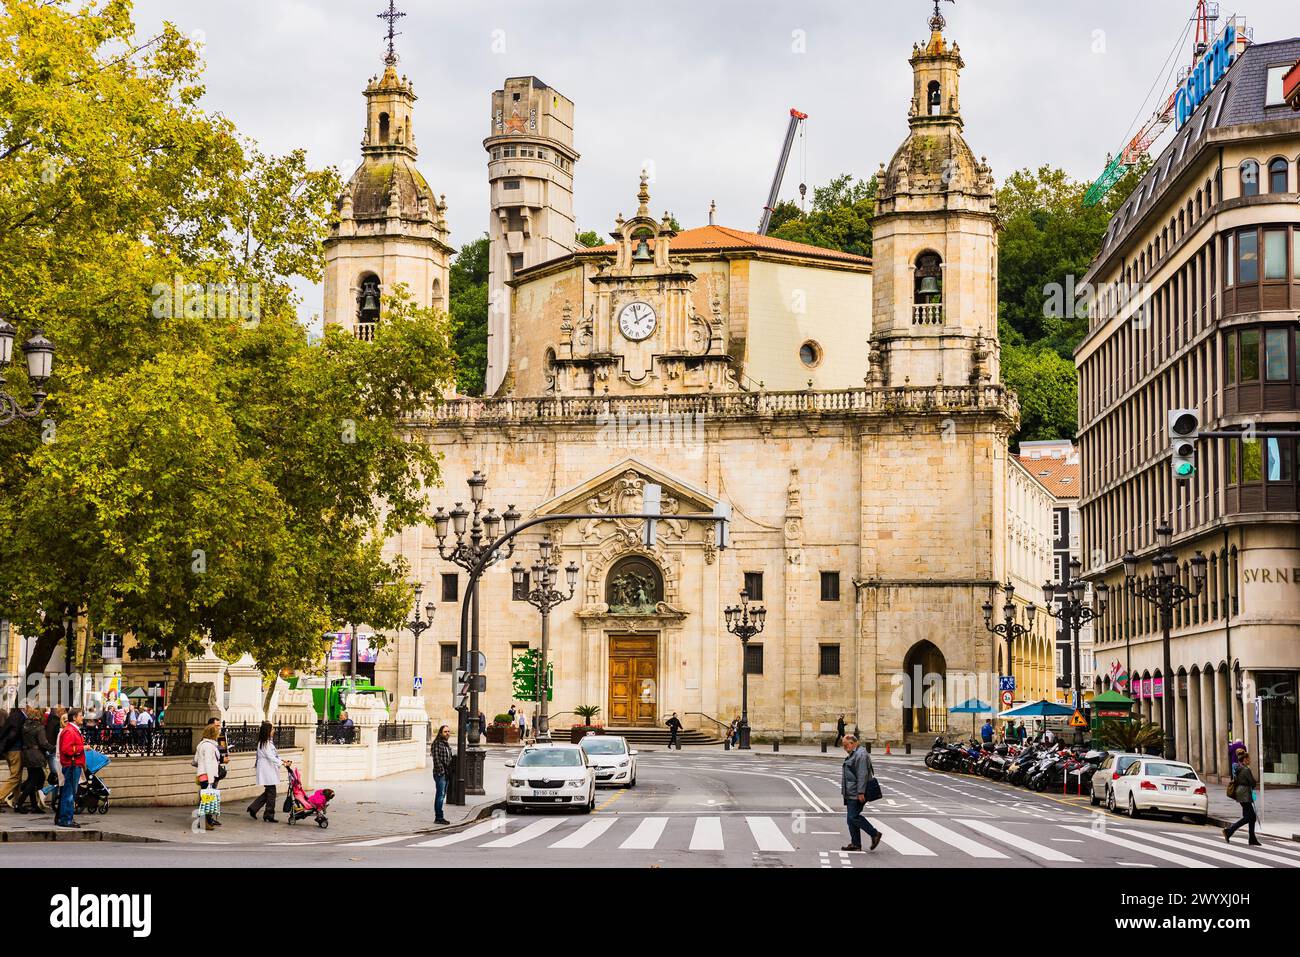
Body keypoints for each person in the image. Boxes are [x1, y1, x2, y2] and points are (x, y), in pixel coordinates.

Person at [840, 734, 883, 852]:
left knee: (853, 817)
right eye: (843, 745)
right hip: (851, 791)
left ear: (853, 743)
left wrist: (860, 792)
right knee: (850, 819)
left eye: (845, 745)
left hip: (856, 792)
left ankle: (874, 834)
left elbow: (862, 775)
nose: (844, 748)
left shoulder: (861, 755)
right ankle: (856, 844)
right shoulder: (855, 753)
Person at [15, 708, 54, 814]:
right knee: (36, 780)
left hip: (26, 755)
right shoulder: (39, 727)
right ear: (39, 716)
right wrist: (54, 748)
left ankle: (33, 805)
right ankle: (19, 803)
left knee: (32, 779)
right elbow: (43, 743)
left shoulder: (24, 726)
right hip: (36, 756)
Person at [246, 721, 283, 823]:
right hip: (267, 770)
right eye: (272, 729)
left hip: (269, 769)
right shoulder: (265, 743)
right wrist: (282, 763)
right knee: (272, 793)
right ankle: (269, 814)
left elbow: (274, 755)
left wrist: (282, 760)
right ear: (268, 731)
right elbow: (270, 756)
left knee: (269, 792)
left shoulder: (268, 742)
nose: (274, 731)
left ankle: (253, 808)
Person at [1224, 749, 1262, 846]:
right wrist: (1252, 784)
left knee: (1251, 817)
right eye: (1248, 759)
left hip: (1240, 793)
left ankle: (1252, 838)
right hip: (1245, 794)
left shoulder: (1237, 768)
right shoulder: (1246, 769)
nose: (1249, 760)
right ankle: (1229, 831)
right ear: (1244, 759)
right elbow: (1253, 782)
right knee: (1249, 817)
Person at [56, 708, 86, 829]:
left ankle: (66, 818)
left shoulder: (72, 730)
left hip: (74, 764)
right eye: (80, 715)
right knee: (69, 794)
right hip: (72, 765)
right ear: (74, 717)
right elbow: (67, 749)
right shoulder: (70, 731)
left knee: (69, 793)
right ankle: (66, 819)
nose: (82, 717)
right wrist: (82, 748)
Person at [194, 723, 223, 831]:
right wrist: (211, 780)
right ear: (213, 734)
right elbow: (208, 763)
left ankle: (204, 822)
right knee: (207, 800)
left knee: (205, 800)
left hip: (202, 775)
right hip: (208, 776)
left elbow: (196, 760)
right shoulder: (210, 746)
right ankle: (204, 823)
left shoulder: (201, 744)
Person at [0, 703, 26, 810]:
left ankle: (17, 801)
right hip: (15, 750)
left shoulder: (13, 714)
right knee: (15, 777)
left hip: (10, 749)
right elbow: (13, 735)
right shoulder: (19, 716)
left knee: (17, 777)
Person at [431, 724, 454, 825]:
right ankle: (439, 817)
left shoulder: (446, 744)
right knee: (440, 795)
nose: (447, 733)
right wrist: (442, 772)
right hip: (440, 773)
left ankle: (440, 816)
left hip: (446, 773)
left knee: (442, 795)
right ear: (440, 733)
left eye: (448, 731)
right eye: (445, 732)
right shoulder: (437, 744)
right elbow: (436, 759)